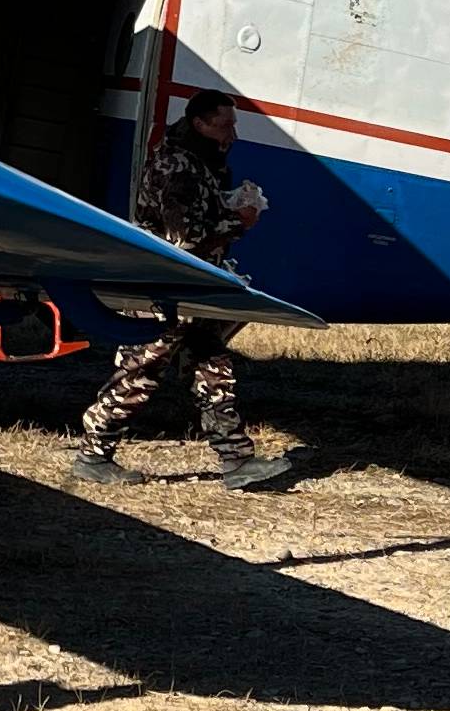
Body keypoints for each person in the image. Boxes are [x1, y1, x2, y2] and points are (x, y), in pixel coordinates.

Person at [70, 89, 296, 492]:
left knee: (212, 366)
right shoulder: (178, 166)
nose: (233, 134)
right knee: (140, 371)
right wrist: (239, 222)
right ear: (200, 124)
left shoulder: (196, 161)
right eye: (225, 125)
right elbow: (184, 238)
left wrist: (226, 209)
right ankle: (92, 455)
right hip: (163, 288)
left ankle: (237, 459)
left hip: (191, 288)